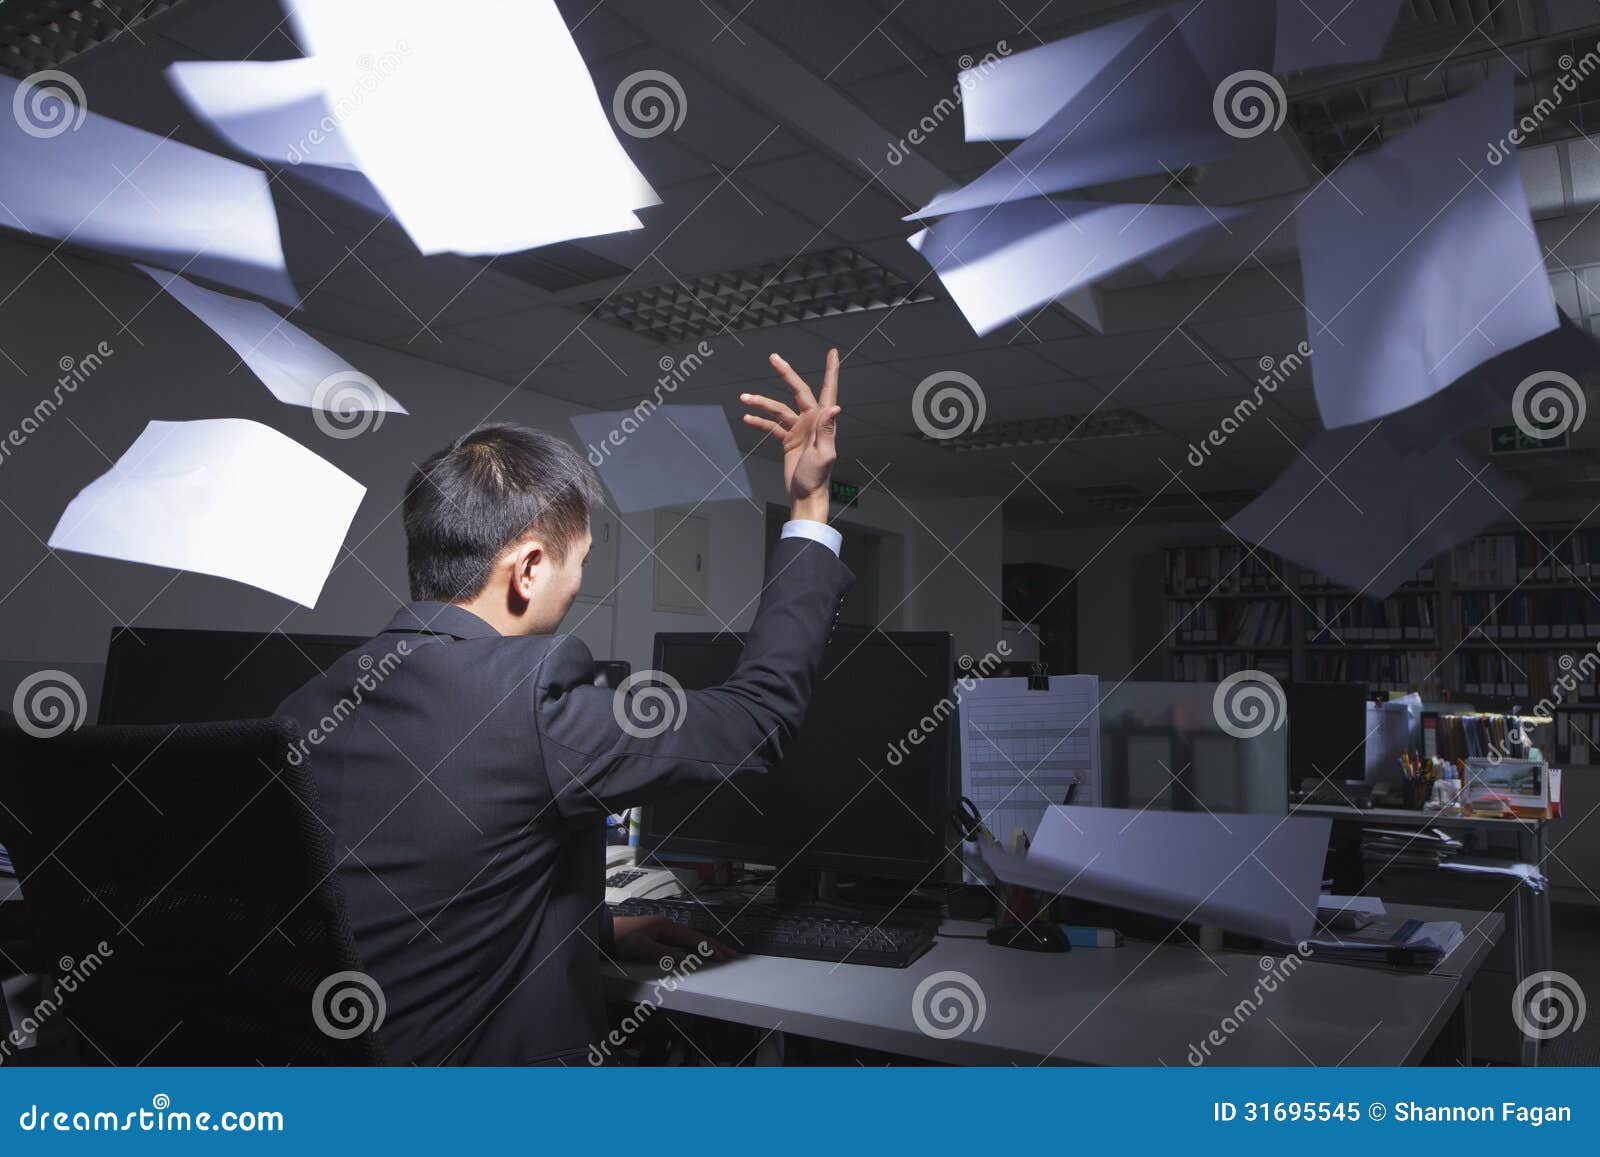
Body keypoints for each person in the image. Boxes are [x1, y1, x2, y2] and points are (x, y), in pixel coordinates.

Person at [277, 350, 851, 1064]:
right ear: (528, 568)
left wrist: (599, 929)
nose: (580, 584)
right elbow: (755, 721)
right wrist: (808, 509)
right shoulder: (528, 696)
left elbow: (408, 905)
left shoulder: (310, 703)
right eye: (579, 562)